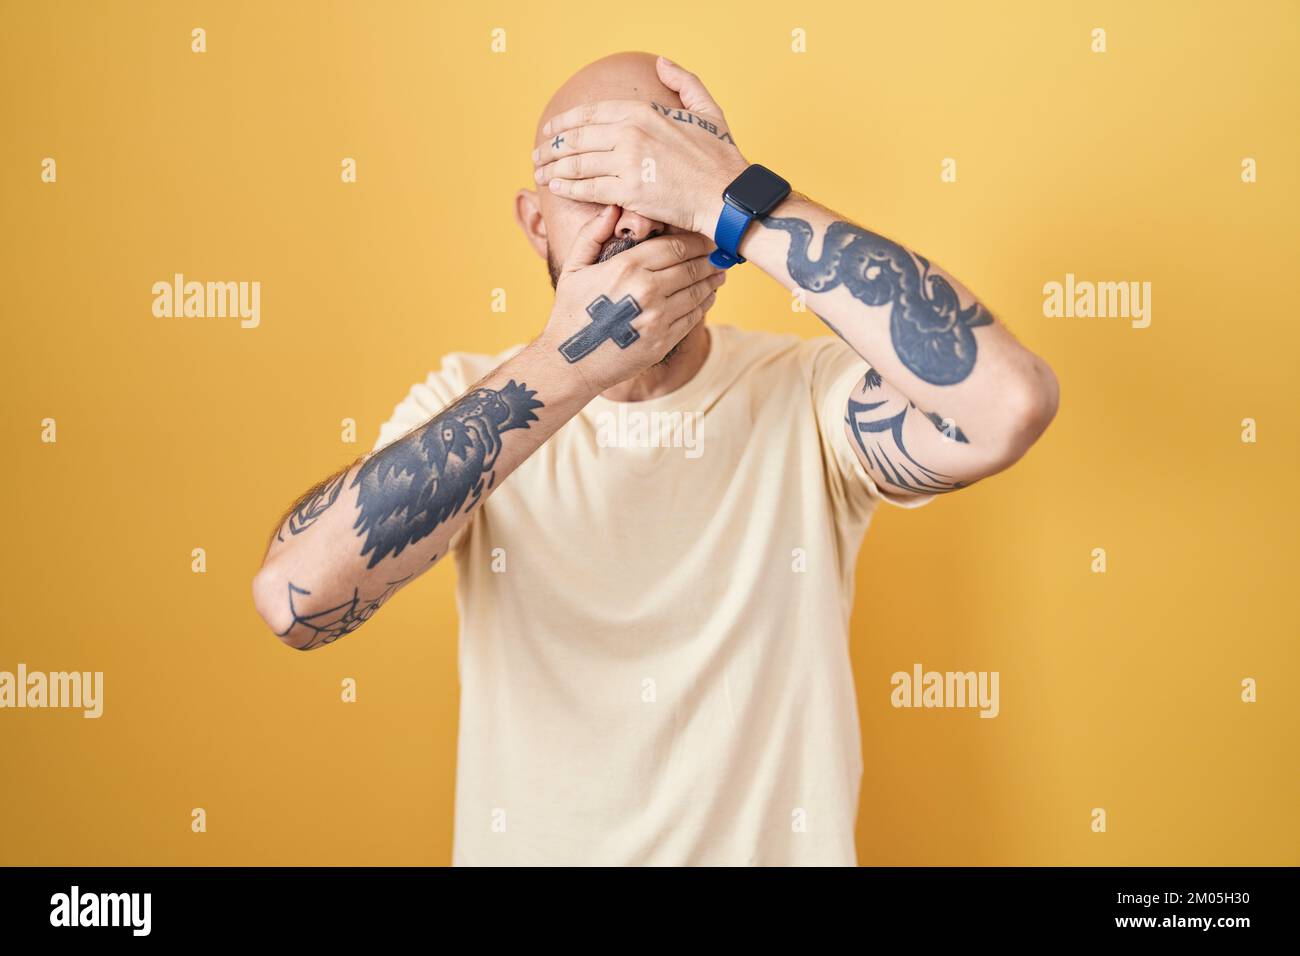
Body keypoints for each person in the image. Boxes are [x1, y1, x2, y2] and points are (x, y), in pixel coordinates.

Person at [252, 51, 1059, 865]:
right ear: (536, 223)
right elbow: (295, 601)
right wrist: (570, 361)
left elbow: (1007, 402)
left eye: (653, 180)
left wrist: (740, 196)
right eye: (591, 185)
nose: (630, 222)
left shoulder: (808, 401)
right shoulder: (468, 401)